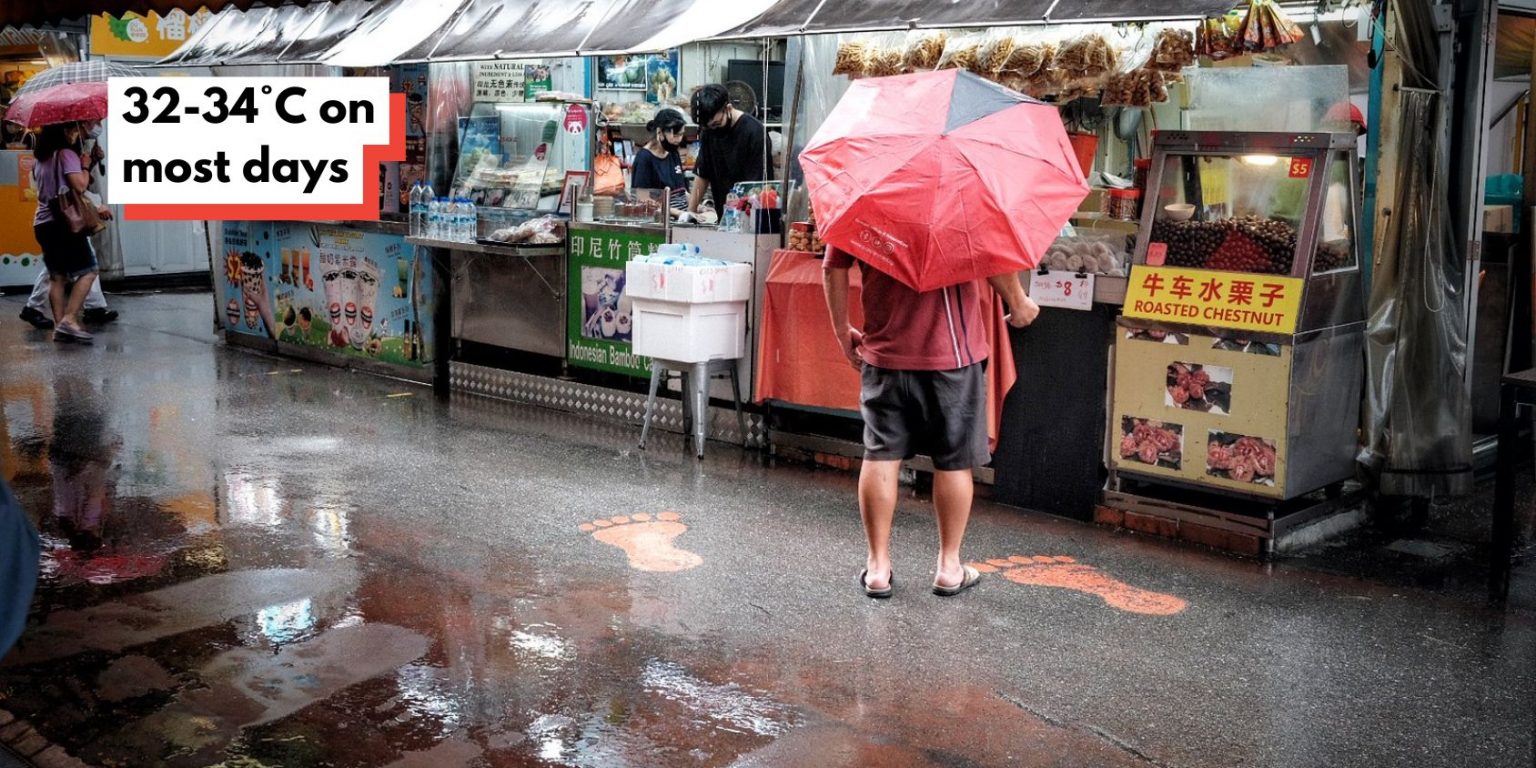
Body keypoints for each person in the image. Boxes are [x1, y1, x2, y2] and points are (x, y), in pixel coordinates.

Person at [823, 245, 1037, 598]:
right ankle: (949, 567)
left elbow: (833, 268)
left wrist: (842, 333)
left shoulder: (865, 195)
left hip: (884, 353)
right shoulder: (960, 196)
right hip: (951, 355)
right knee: (953, 459)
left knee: (880, 454)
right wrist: (1018, 301)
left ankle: (877, 568)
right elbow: (989, 254)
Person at [20, 120, 116, 330]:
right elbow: (79, 186)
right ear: (65, 131)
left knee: (57, 273)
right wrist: (84, 164)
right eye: (75, 130)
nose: (77, 133)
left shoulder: (40, 159)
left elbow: (61, 185)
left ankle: (73, 315)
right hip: (65, 222)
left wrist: (87, 164)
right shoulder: (66, 154)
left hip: (45, 221)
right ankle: (69, 318)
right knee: (87, 269)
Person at [687, 84, 766, 215]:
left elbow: (757, 186)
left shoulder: (754, 132)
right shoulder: (708, 132)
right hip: (723, 217)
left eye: (717, 124)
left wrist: (742, 217)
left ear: (728, 108)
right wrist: (690, 212)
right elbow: (702, 174)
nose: (713, 129)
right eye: (708, 127)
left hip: (750, 216)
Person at [630, 106, 690, 216]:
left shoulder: (673, 152)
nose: (678, 140)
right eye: (675, 135)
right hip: (658, 219)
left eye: (681, 134)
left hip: (681, 216)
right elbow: (643, 198)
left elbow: (682, 192)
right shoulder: (644, 158)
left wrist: (700, 207)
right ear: (660, 132)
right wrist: (676, 213)